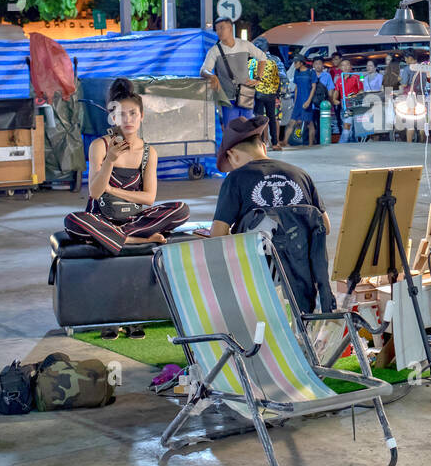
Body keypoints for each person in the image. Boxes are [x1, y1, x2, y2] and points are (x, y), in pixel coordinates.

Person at [64, 77, 191, 305]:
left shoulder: (148, 153)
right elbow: (94, 192)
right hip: (100, 218)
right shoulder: (100, 146)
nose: (128, 119)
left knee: (181, 210)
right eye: (122, 114)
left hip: (134, 219)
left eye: (133, 114)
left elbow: (149, 198)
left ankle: (117, 236)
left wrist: (112, 189)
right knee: (72, 221)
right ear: (113, 118)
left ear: (142, 116)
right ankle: (132, 240)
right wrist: (110, 161)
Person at [211, 116, 329, 237]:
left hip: (257, 255)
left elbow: (217, 235)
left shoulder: (235, 179)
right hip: (303, 256)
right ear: (263, 147)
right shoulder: (301, 175)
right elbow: (325, 226)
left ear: (233, 156)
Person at [200, 17, 267, 129]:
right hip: (228, 97)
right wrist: (211, 76)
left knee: (248, 129)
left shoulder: (244, 44)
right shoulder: (215, 50)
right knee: (231, 130)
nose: (219, 32)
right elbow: (203, 70)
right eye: (217, 29)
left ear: (230, 28)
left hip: (246, 95)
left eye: (222, 28)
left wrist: (258, 78)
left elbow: (262, 58)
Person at [251, 37, 285, 150]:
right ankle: (275, 143)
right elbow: (277, 79)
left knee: (259, 119)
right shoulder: (272, 63)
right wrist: (275, 92)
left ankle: (259, 144)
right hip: (270, 95)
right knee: (272, 118)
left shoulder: (251, 63)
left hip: (257, 95)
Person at [337, 58, 363, 142]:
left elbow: (362, 91)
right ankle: (345, 144)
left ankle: (342, 144)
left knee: (351, 127)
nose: (345, 67)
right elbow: (336, 92)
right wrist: (334, 99)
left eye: (347, 64)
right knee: (348, 127)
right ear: (340, 67)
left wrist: (351, 96)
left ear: (351, 66)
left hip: (355, 106)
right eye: (343, 65)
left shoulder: (358, 77)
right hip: (345, 107)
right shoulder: (338, 80)